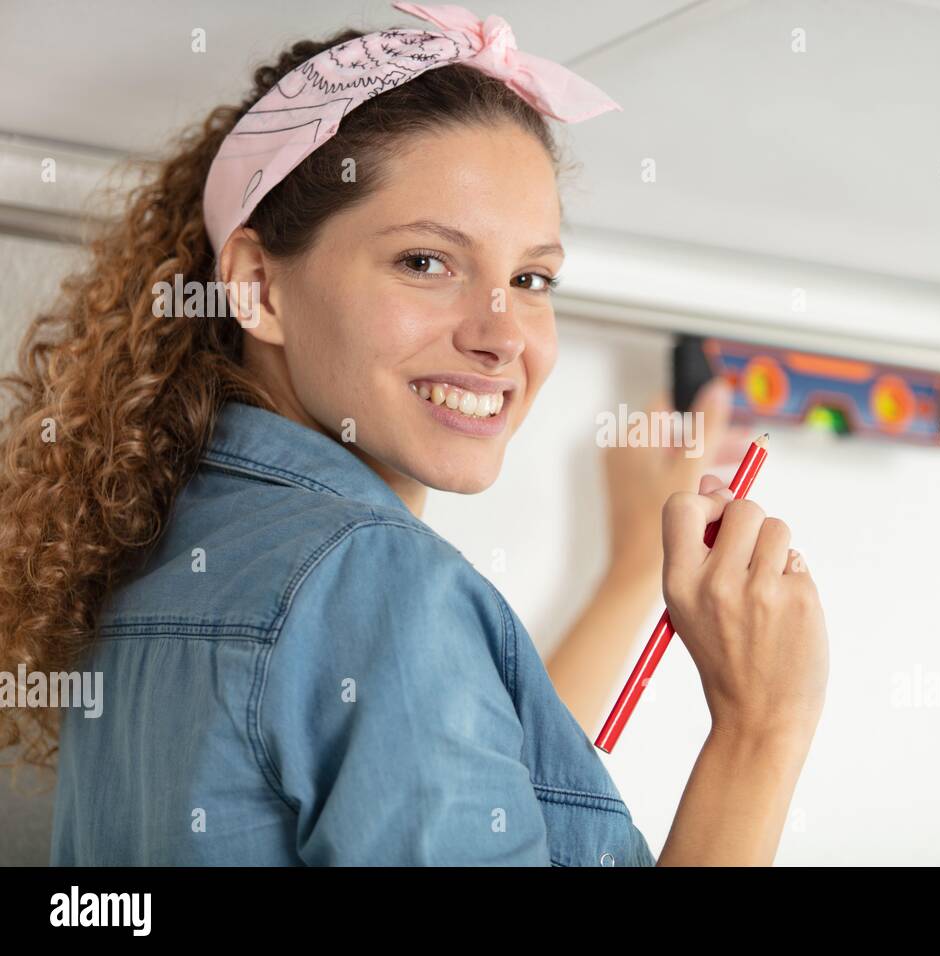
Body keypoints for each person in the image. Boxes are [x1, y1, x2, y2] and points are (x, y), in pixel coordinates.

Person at [0, 4, 829, 866]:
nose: (503, 335)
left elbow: (454, 780)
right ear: (258, 287)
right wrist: (759, 731)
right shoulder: (372, 578)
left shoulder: (174, 554)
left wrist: (628, 575)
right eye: (427, 262)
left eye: (531, 276)